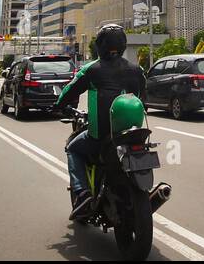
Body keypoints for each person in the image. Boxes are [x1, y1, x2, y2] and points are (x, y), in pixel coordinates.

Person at [50, 24, 145, 218]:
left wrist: (58, 105)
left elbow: (70, 90)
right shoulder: (136, 70)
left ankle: (82, 192)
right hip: (133, 134)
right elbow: (144, 98)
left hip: (101, 135)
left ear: (100, 46)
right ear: (123, 45)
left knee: (73, 149)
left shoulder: (92, 70)